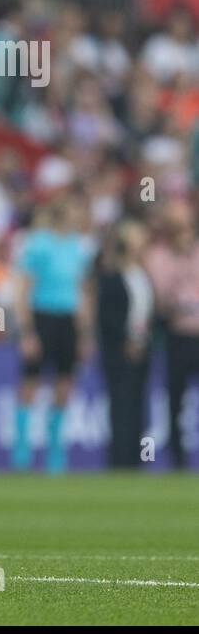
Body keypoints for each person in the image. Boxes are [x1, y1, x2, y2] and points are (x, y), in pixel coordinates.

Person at [13, 197, 96, 473]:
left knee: (64, 382)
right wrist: (26, 331)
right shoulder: (39, 244)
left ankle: (55, 448)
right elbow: (23, 288)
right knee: (30, 381)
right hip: (42, 316)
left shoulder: (79, 247)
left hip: (68, 319)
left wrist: (85, 333)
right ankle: (22, 446)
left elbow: (83, 291)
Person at [143, 199, 199, 469]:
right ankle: (177, 460)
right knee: (175, 398)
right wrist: (180, 263)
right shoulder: (159, 256)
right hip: (177, 335)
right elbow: (159, 298)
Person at [94, 220, 153, 468]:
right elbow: (106, 316)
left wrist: (142, 340)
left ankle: (135, 461)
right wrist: (126, 340)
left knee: (137, 405)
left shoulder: (142, 274)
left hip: (142, 348)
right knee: (121, 405)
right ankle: (119, 461)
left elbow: (146, 312)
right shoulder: (112, 275)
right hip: (118, 350)